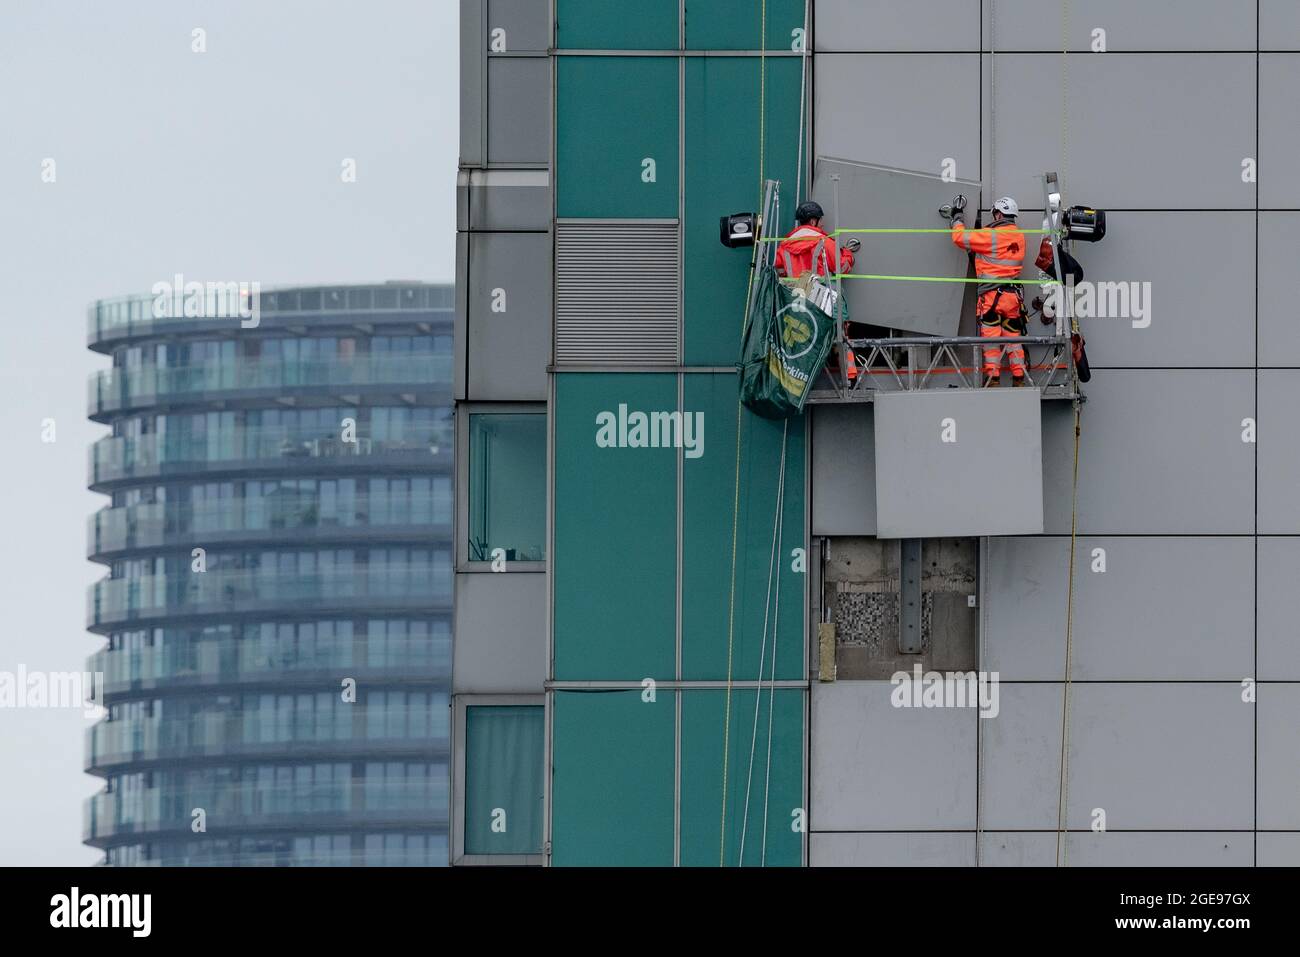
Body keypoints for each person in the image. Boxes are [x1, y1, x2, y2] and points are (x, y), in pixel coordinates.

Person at [946, 195, 1028, 387]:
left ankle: (993, 379)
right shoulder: (1020, 236)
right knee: (1013, 340)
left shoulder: (991, 235)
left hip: (992, 297)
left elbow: (959, 238)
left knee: (991, 341)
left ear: (998, 214)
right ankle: (1019, 378)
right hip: (1013, 298)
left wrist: (957, 219)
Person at [776, 201, 861, 379]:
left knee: (799, 340)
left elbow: (780, 272)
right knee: (839, 334)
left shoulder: (784, 246)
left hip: (796, 301)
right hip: (821, 300)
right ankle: (850, 377)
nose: (822, 224)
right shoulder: (823, 242)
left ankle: (796, 377)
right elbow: (842, 267)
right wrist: (848, 254)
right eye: (820, 220)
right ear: (813, 221)